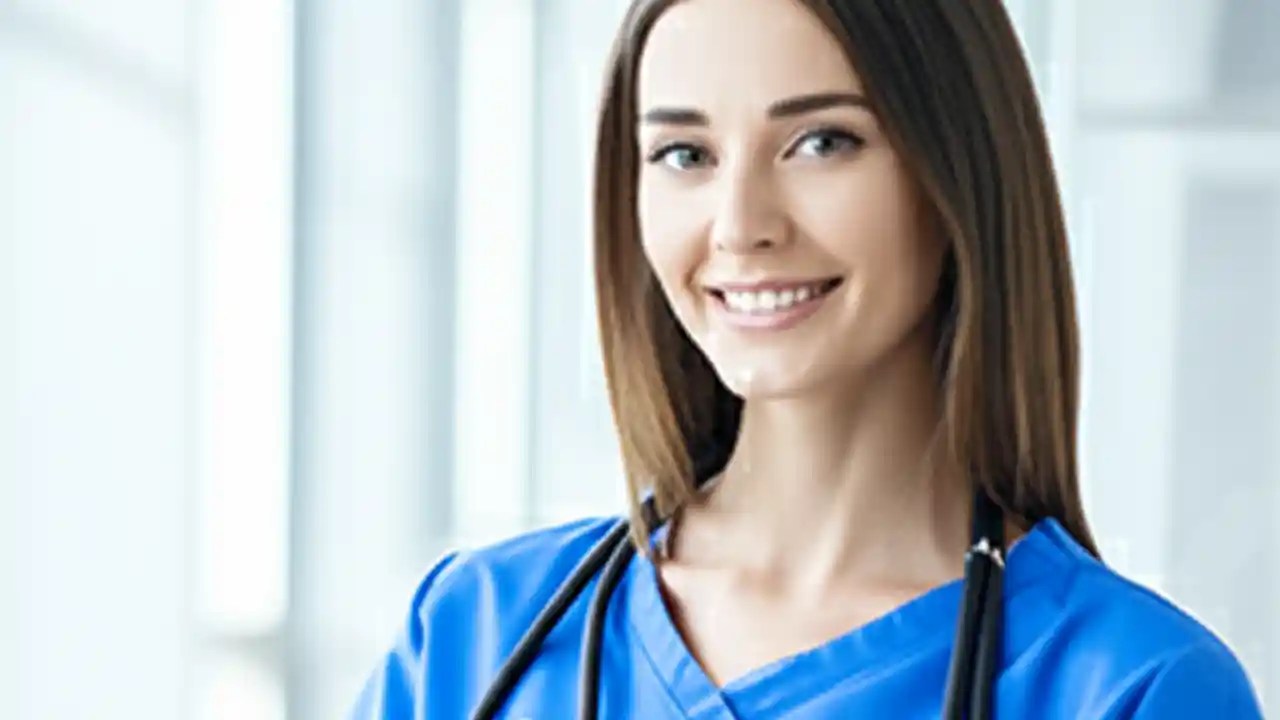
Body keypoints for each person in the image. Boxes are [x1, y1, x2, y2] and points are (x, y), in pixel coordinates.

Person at [351, 0, 1266, 717]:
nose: (742, 225)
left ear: (958, 172)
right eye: (683, 154)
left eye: (821, 143)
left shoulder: (1132, 690)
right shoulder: (475, 638)